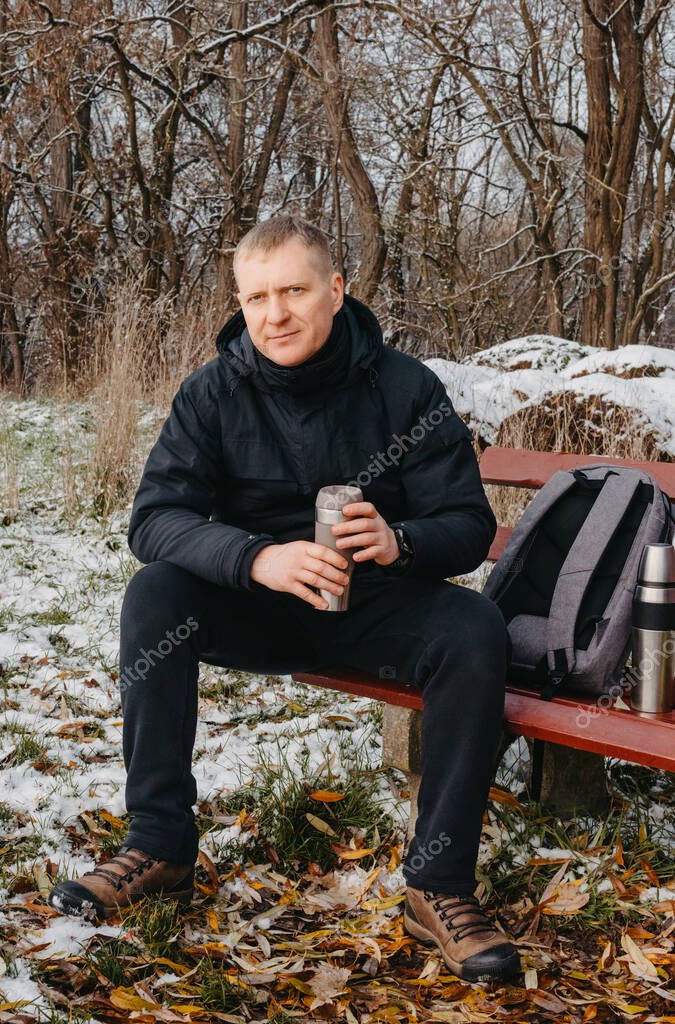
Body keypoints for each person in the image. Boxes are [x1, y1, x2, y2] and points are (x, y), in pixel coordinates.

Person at [48, 214, 521, 984]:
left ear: (335, 288)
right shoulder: (212, 392)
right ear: (240, 303)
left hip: (376, 609)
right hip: (257, 607)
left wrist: (400, 541)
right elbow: (155, 520)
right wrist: (254, 557)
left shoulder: (406, 387)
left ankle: (437, 885)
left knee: (473, 625)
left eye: (294, 291)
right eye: (257, 297)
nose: (274, 314)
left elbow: (467, 523)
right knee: (155, 594)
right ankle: (159, 845)